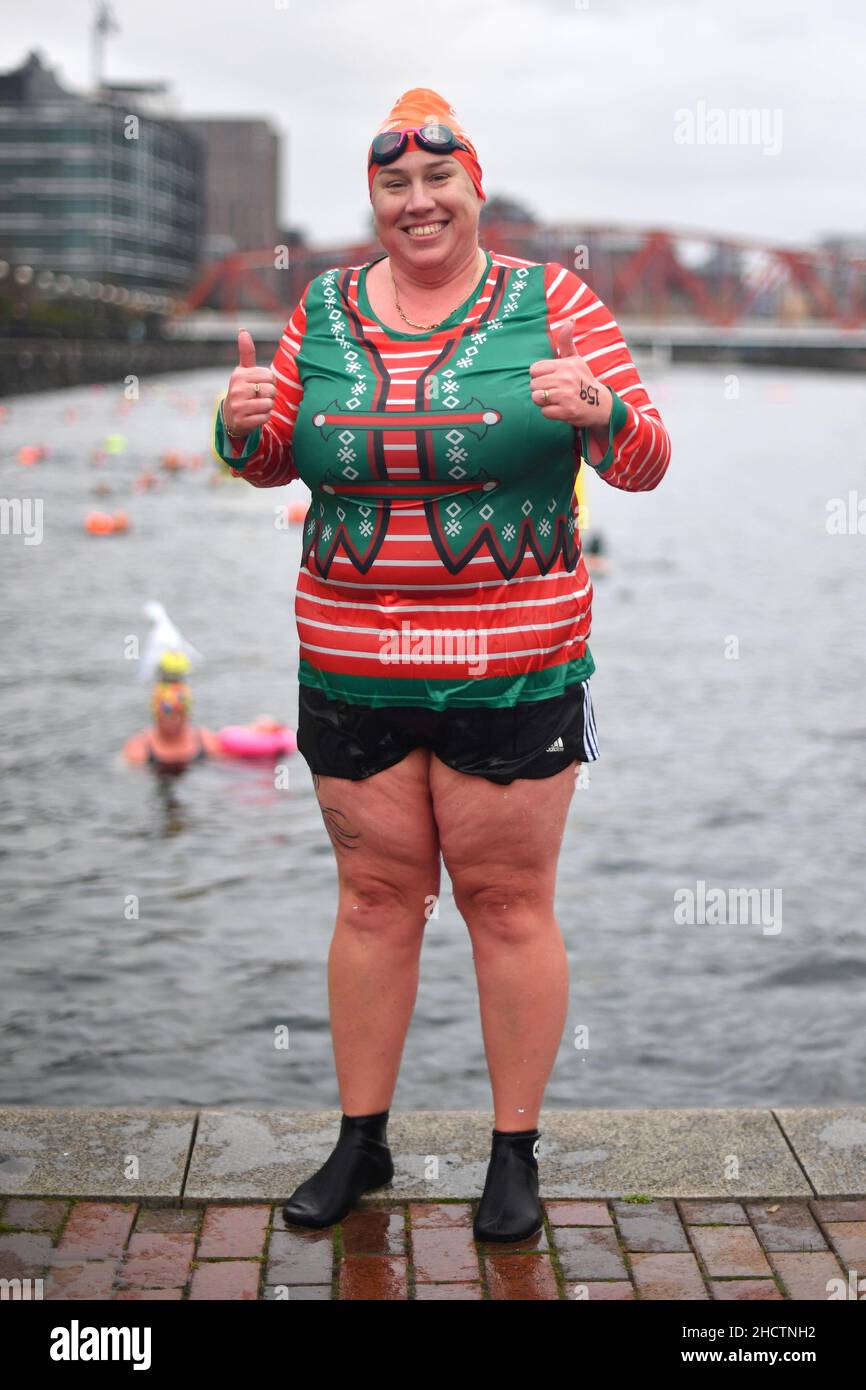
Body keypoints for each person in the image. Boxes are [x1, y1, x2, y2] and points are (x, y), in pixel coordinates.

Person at [214, 88, 672, 1241]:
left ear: (473, 187)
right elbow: (271, 460)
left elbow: (647, 462)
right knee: (372, 902)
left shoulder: (556, 300)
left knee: (506, 906)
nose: (416, 203)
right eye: (393, 186)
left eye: (437, 181)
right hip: (352, 663)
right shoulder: (319, 307)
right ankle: (359, 1142)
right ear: (373, 199)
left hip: (512, 664)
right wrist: (236, 423)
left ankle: (510, 1152)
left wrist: (603, 408)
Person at [124, 658, 224, 772]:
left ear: (187, 715)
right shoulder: (140, 749)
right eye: (167, 715)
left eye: (178, 714)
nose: (172, 720)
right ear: (156, 715)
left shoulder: (205, 741)